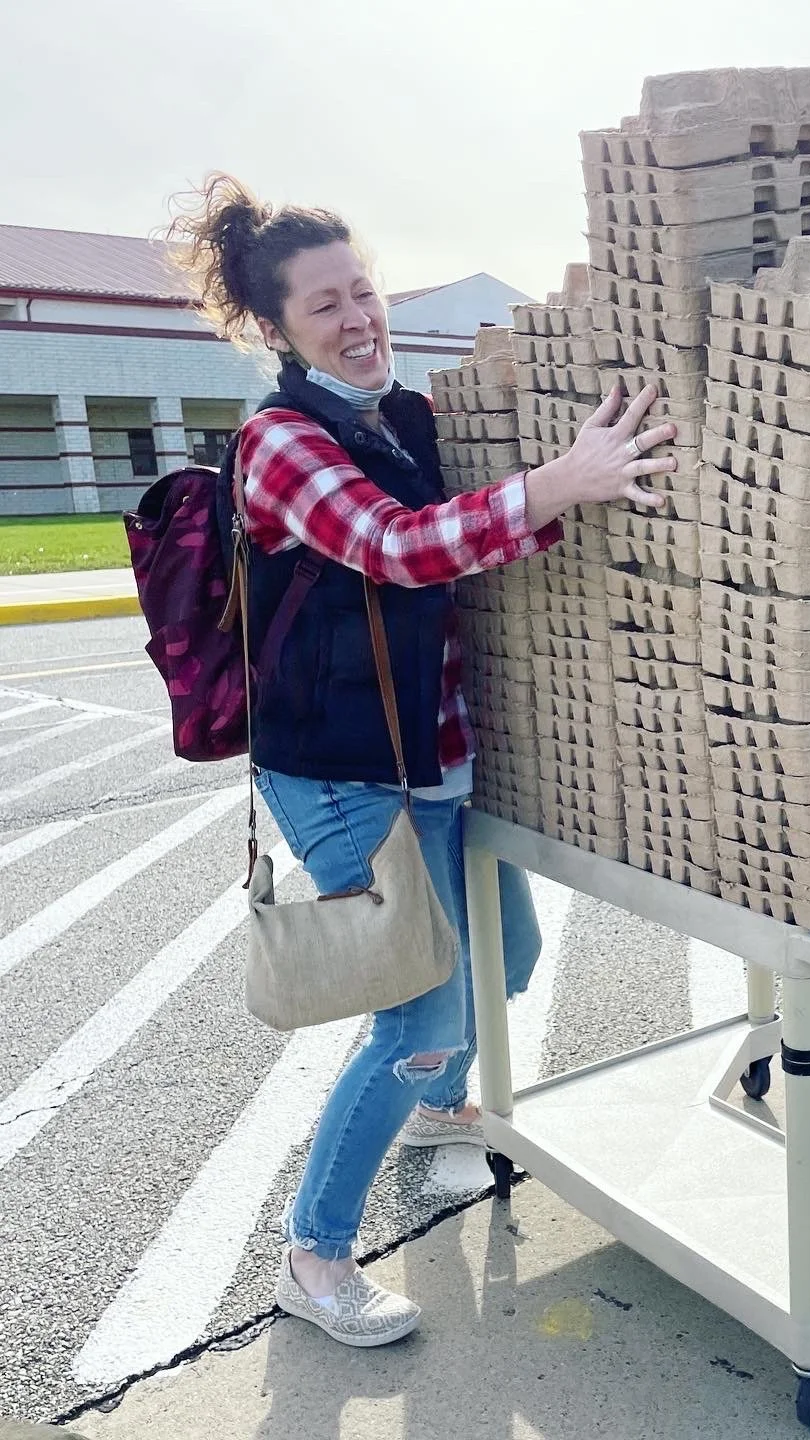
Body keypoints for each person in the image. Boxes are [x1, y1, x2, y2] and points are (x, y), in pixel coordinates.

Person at [171, 174, 676, 1347]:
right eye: (326, 307)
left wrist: (567, 484)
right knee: (421, 1012)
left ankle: (441, 1108)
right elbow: (397, 549)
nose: (359, 319)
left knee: (502, 958)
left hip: (431, 755)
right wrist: (561, 483)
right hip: (340, 773)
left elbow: (466, 543)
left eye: (366, 292)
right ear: (274, 330)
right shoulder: (283, 445)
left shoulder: (392, 416)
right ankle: (313, 1252)